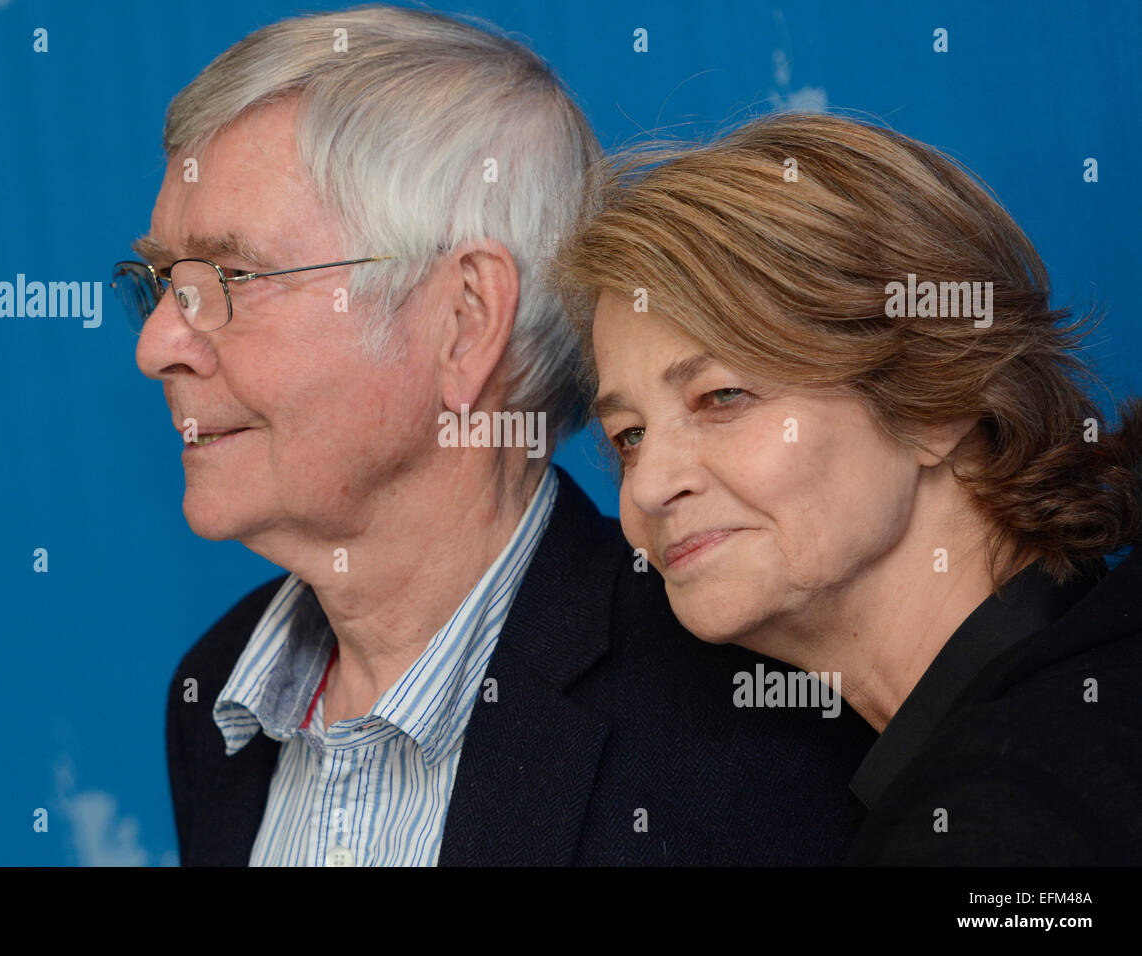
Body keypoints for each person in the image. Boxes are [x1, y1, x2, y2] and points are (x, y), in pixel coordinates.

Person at [114, 7, 874, 866]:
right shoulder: (216, 695)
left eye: (230, 277)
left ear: (466, 320)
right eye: (158, 284)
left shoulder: (741, 738)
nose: (155, 346)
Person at [551, 111, 1142, 864]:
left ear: (939, 398)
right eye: (628, 436)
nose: (649, 488)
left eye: (722, 397)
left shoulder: (1022, 813)